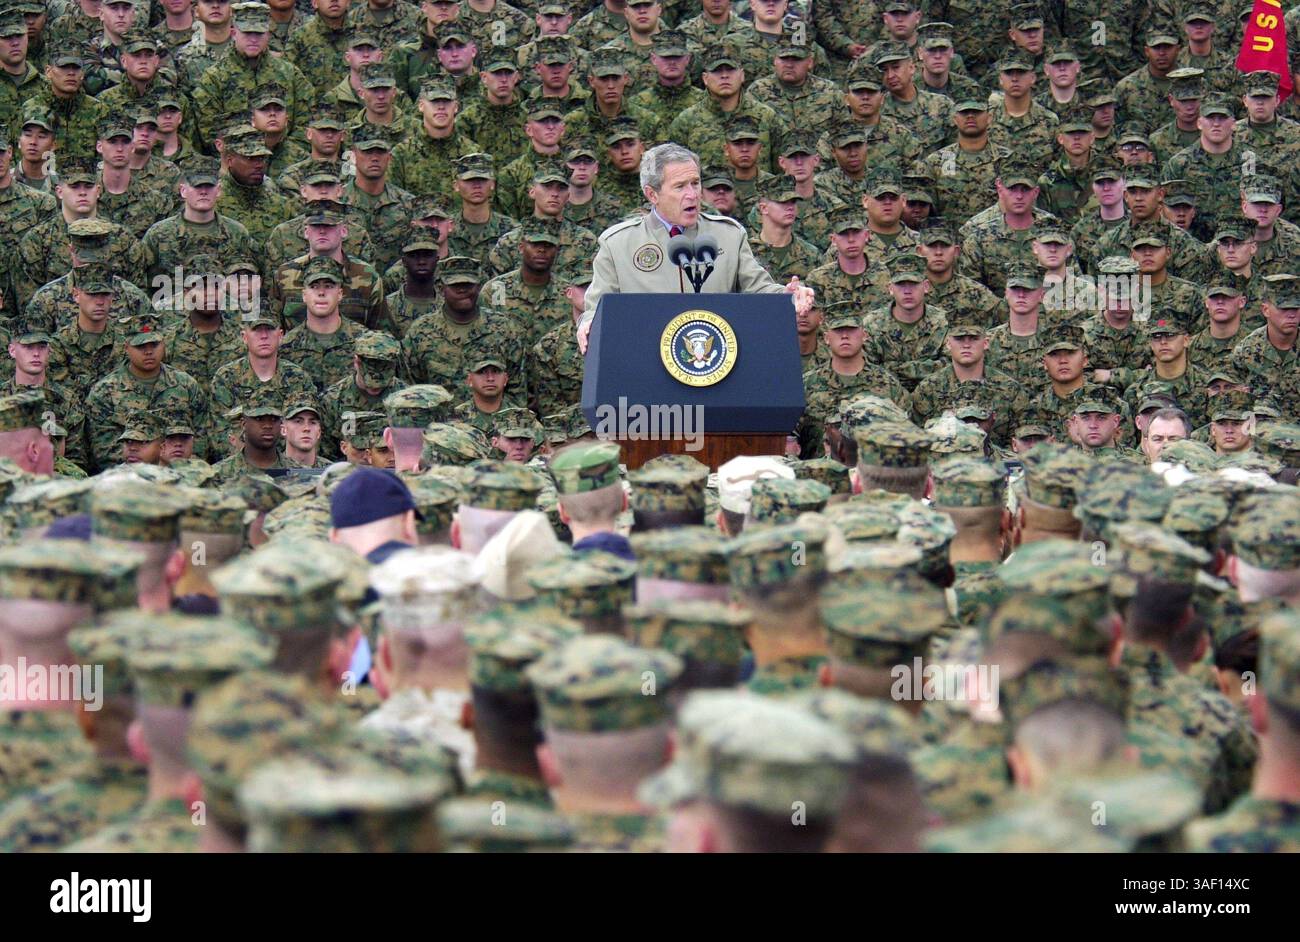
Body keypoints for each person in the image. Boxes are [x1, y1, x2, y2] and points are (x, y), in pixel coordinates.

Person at [577, 142, 813, 353]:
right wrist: (588, 323)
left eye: (695, 183)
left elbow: (759, 289)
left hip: (715, 362)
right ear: (652, 194)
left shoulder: (728, 235)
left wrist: (786, 297)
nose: (692, 195)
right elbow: (597, 308)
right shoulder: (617, 244)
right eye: (680, 186)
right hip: (646, 364)